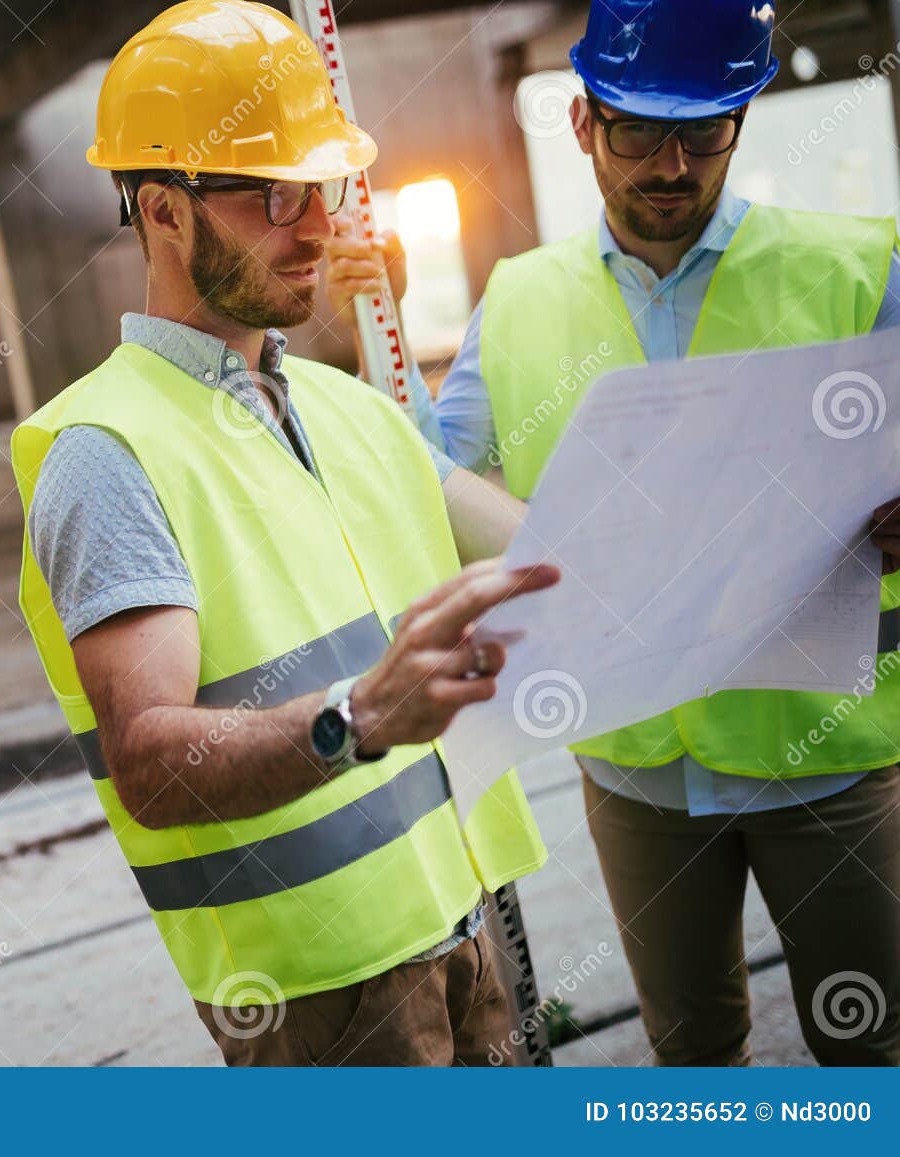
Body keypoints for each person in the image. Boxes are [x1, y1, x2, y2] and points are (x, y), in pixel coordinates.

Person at [328, 0, 900, 1065]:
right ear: (584, 121)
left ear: (743, 118)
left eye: (703, 132)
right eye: (637, 129)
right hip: (639, 767)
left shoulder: (859, 268)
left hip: (822, 754)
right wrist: (378, 340)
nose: (670, 165)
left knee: (874, 1050)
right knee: (691, 1055)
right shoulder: (523, 296)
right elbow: (415, 474)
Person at [11, 0, 559, 1067]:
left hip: (469, 911)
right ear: (163, 212)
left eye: (320, 190)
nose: (316, 227)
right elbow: (152, 763)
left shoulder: (345, 405)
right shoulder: (105, 450)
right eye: (274, 197)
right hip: (323, 989)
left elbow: (554, 553)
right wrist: (355, 714)